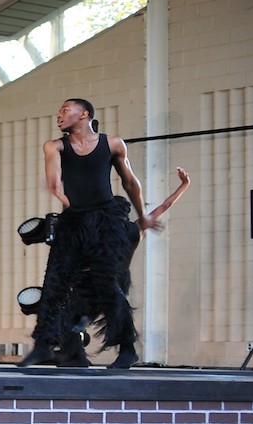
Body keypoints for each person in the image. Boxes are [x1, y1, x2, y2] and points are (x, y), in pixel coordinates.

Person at [18, 98, 155, 369]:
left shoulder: (112, 144)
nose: (59, 115)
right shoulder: (54, 146)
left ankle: (127, 348)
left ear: (85, 114)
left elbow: (130, 182)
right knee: (54, 283)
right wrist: (66, 198)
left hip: (105, 221)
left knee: (107, 284)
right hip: (74, 223)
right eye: (59, 111)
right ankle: (43, 345)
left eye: (65, 111)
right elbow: (55, 182)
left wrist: (143, 215)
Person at [57, 167, 191, 367]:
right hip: (98, 279)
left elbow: (75, 208)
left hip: (112, 280)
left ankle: (124, 351)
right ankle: (77, 354)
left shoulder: (125, 230)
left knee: (115, 313)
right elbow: (165, 205)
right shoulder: (133, 228)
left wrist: (64, 187)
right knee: (74, 314)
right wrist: (183, 185)